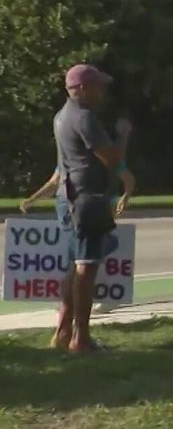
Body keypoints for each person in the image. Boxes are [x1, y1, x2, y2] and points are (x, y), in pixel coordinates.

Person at [21, 117, 135, 315]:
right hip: (74, 210)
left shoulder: (104, 155)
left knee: (90, 255)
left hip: (100, 207)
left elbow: (126, 175)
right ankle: (72, 302)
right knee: (80, 258)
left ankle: (91, 301)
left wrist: (125, 197)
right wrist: (32, 199)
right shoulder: (67, 160)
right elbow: (54, 183)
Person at [52, 63, 129, 353]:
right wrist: (123, 134)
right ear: (81, 89)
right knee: (86, 269)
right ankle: (81, 340)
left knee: (75, 266)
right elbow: (111, 158)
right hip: (85, 200)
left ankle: (62, 332)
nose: (102, 91)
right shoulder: (84, 118)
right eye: (98, 86)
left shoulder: (62, 116)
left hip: (69, 197)